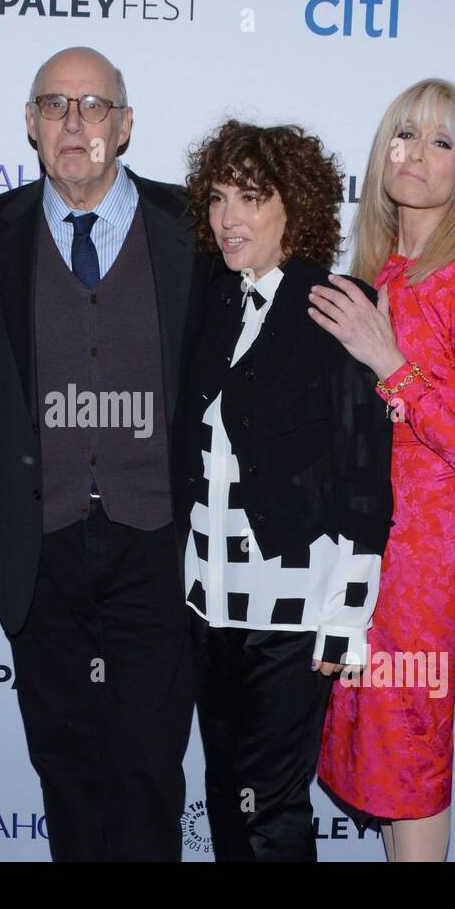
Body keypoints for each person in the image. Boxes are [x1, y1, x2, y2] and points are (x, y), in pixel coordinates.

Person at [0, 46, 212, 861]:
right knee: (64, 766)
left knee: (148, 766)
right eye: (55, 105)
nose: (74, 123)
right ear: (29, 124)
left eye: (93, 106)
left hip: (159, 540)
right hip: (44, 542)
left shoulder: (191, 228)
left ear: (125, 125)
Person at [310, 79, 455, 861]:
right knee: (373, 751)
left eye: (439, 141)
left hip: (423, 557)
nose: (415, 153)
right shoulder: (382, 272)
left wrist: (387, 360)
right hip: (360, 539)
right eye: (404, 134)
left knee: (412, 751)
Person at [178, 121, 393, 861]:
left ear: (292, 208)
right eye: (216, 198)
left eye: (250, 197)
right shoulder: (211, 300)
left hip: (292, 612)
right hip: (208, 603)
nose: (228, 217)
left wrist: (345, 619)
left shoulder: (336, 304)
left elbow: (366, 479)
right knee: (224, 792)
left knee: (272, 806)